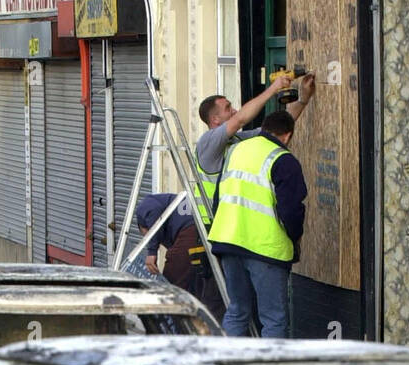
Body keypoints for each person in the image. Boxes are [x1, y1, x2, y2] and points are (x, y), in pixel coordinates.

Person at [208, 108, 306, 340]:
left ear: (263, 129)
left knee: (237, 311)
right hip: (265, 249)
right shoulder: (283, 159)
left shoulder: (235, 150)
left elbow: (218, 197)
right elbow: (291, 210)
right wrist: (295, 239)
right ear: (288, 136)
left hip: (229, 242)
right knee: (273, 319)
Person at [194, 71, 315, 225]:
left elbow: (277, 128)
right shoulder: (207, 143)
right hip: (212, 224)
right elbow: (239, 120)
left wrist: (303, 100)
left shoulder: (238, 141)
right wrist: (274, 88)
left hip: (232, 224)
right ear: (215, 119)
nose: (234, 111)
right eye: (228, 108)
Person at [135, 193, 225, 324]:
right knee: (200, 284)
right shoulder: (171, 212)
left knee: (171, 279)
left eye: (147, 236)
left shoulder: (145, 207)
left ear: (142, 226)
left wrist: (152, 251)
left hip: (191, 230)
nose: (156, 241)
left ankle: (167, 321)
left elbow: (153, 213)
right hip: (206, 230)